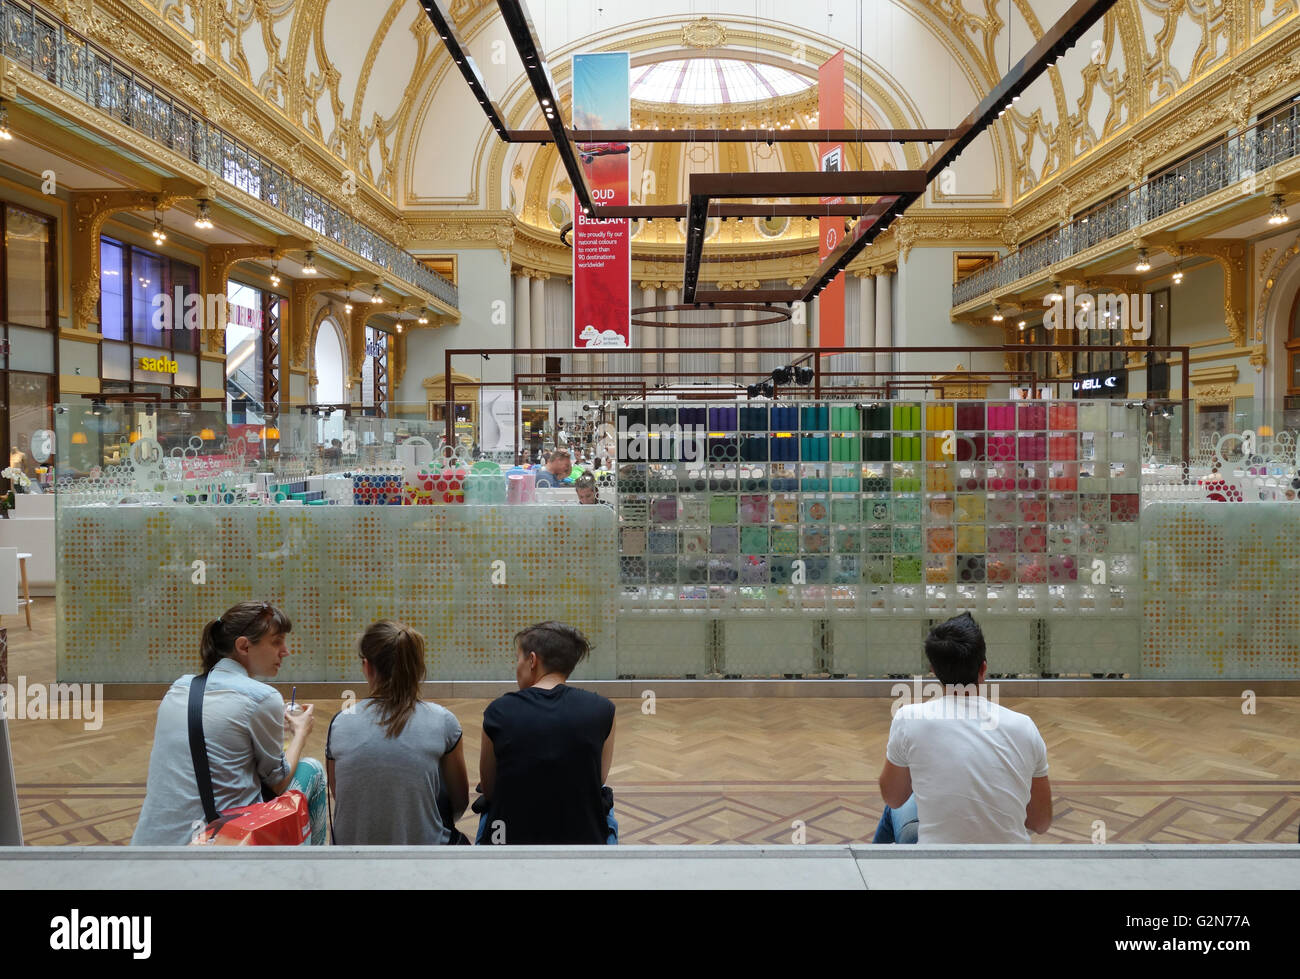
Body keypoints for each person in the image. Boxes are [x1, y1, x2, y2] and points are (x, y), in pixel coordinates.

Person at [132, 601, 326, 845]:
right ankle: (316, 862)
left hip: (150, 845)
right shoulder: (263, 697)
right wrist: (301, 731)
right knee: (313, 769)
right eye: (277, 641)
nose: (285, 651)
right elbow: (278, 782)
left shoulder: (179, 687)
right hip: (219, 845)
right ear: (244, 646)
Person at [876, 612, 1052, 844]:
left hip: (938, 871)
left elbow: (893, 798)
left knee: (895, 810)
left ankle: (872, 876)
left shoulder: (909, 719)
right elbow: (1040, 822)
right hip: (1011, 872)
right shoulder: (1024, 727)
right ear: (983, 668)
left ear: (933, 669)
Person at [326, 621, 470, 844]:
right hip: (424, 857)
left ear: (367, 666)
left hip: (350, 858)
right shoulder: (443, 721)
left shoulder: (341, 723)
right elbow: (459, 803)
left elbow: (341, 793)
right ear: (417, 667)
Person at [477, 622, 616, 844]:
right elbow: (596, 779)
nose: (517, 666)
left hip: (511, 839)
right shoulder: (603, 709)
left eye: (518, 659)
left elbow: (490, 790)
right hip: (582, 838)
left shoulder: (498, 711)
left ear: (532, 660)